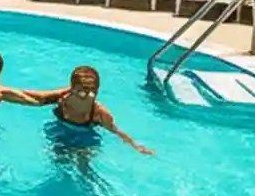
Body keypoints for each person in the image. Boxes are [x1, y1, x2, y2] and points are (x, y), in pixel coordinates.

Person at [20, 66, 154, 155]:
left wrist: (136, 146)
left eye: (92, 91)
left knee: (84, 167)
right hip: (60, 131)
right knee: (59, 160)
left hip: (86, 136)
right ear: (72, 89)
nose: (87, 95)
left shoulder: (99, 112)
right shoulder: (62, 100)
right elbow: (36, 98)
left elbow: (115, 130)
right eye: (82, 91)